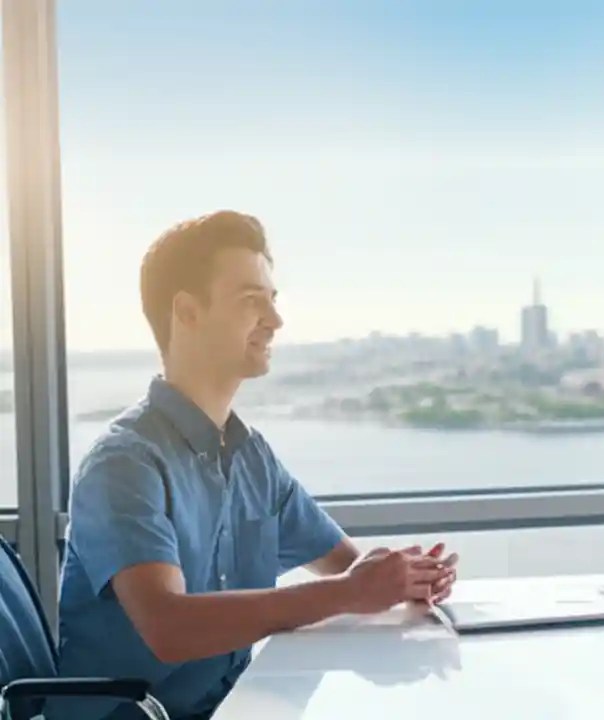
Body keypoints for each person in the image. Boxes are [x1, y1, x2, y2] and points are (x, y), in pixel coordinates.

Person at [52, 211, 460, 720]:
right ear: (187, 313)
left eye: (272, 299)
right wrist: (351, 591)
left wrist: (406, 579)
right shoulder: (123, 465)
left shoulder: (251, 458)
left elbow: (346, 570)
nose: (275, 320)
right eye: (251, 300)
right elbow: (169, 628)